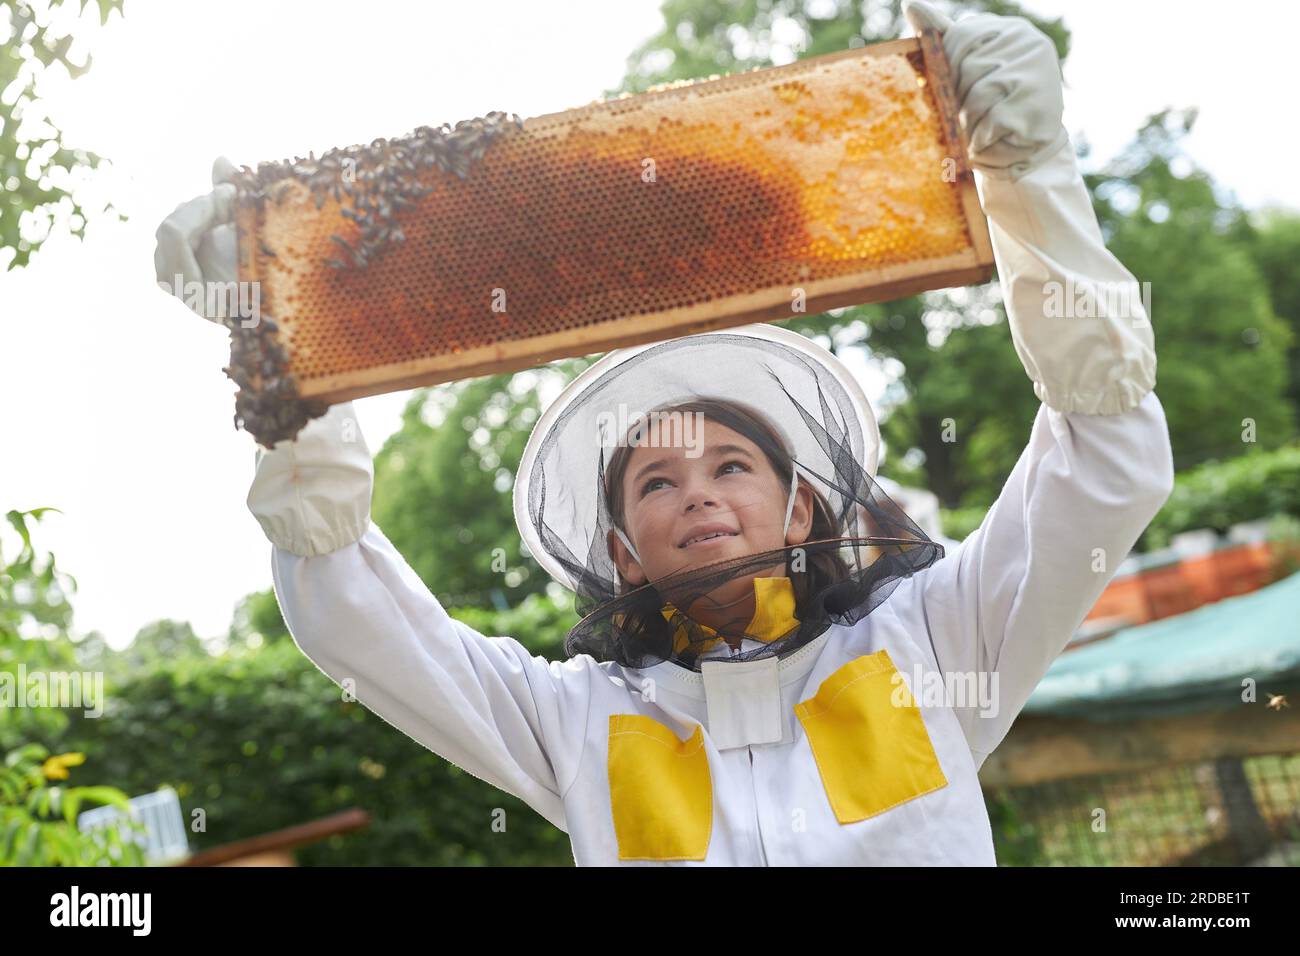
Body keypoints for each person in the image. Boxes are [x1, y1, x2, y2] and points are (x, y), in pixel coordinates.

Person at [152, 2, 1175, 865]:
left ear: (803, 506)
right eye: (655, 483)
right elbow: (349, 613)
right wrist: (278, 343)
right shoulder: (570, 718)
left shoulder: (936, 640)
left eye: (732, 463)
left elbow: (1107, 463)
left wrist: (1027, 182)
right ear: (620, 554)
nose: (697, 491)